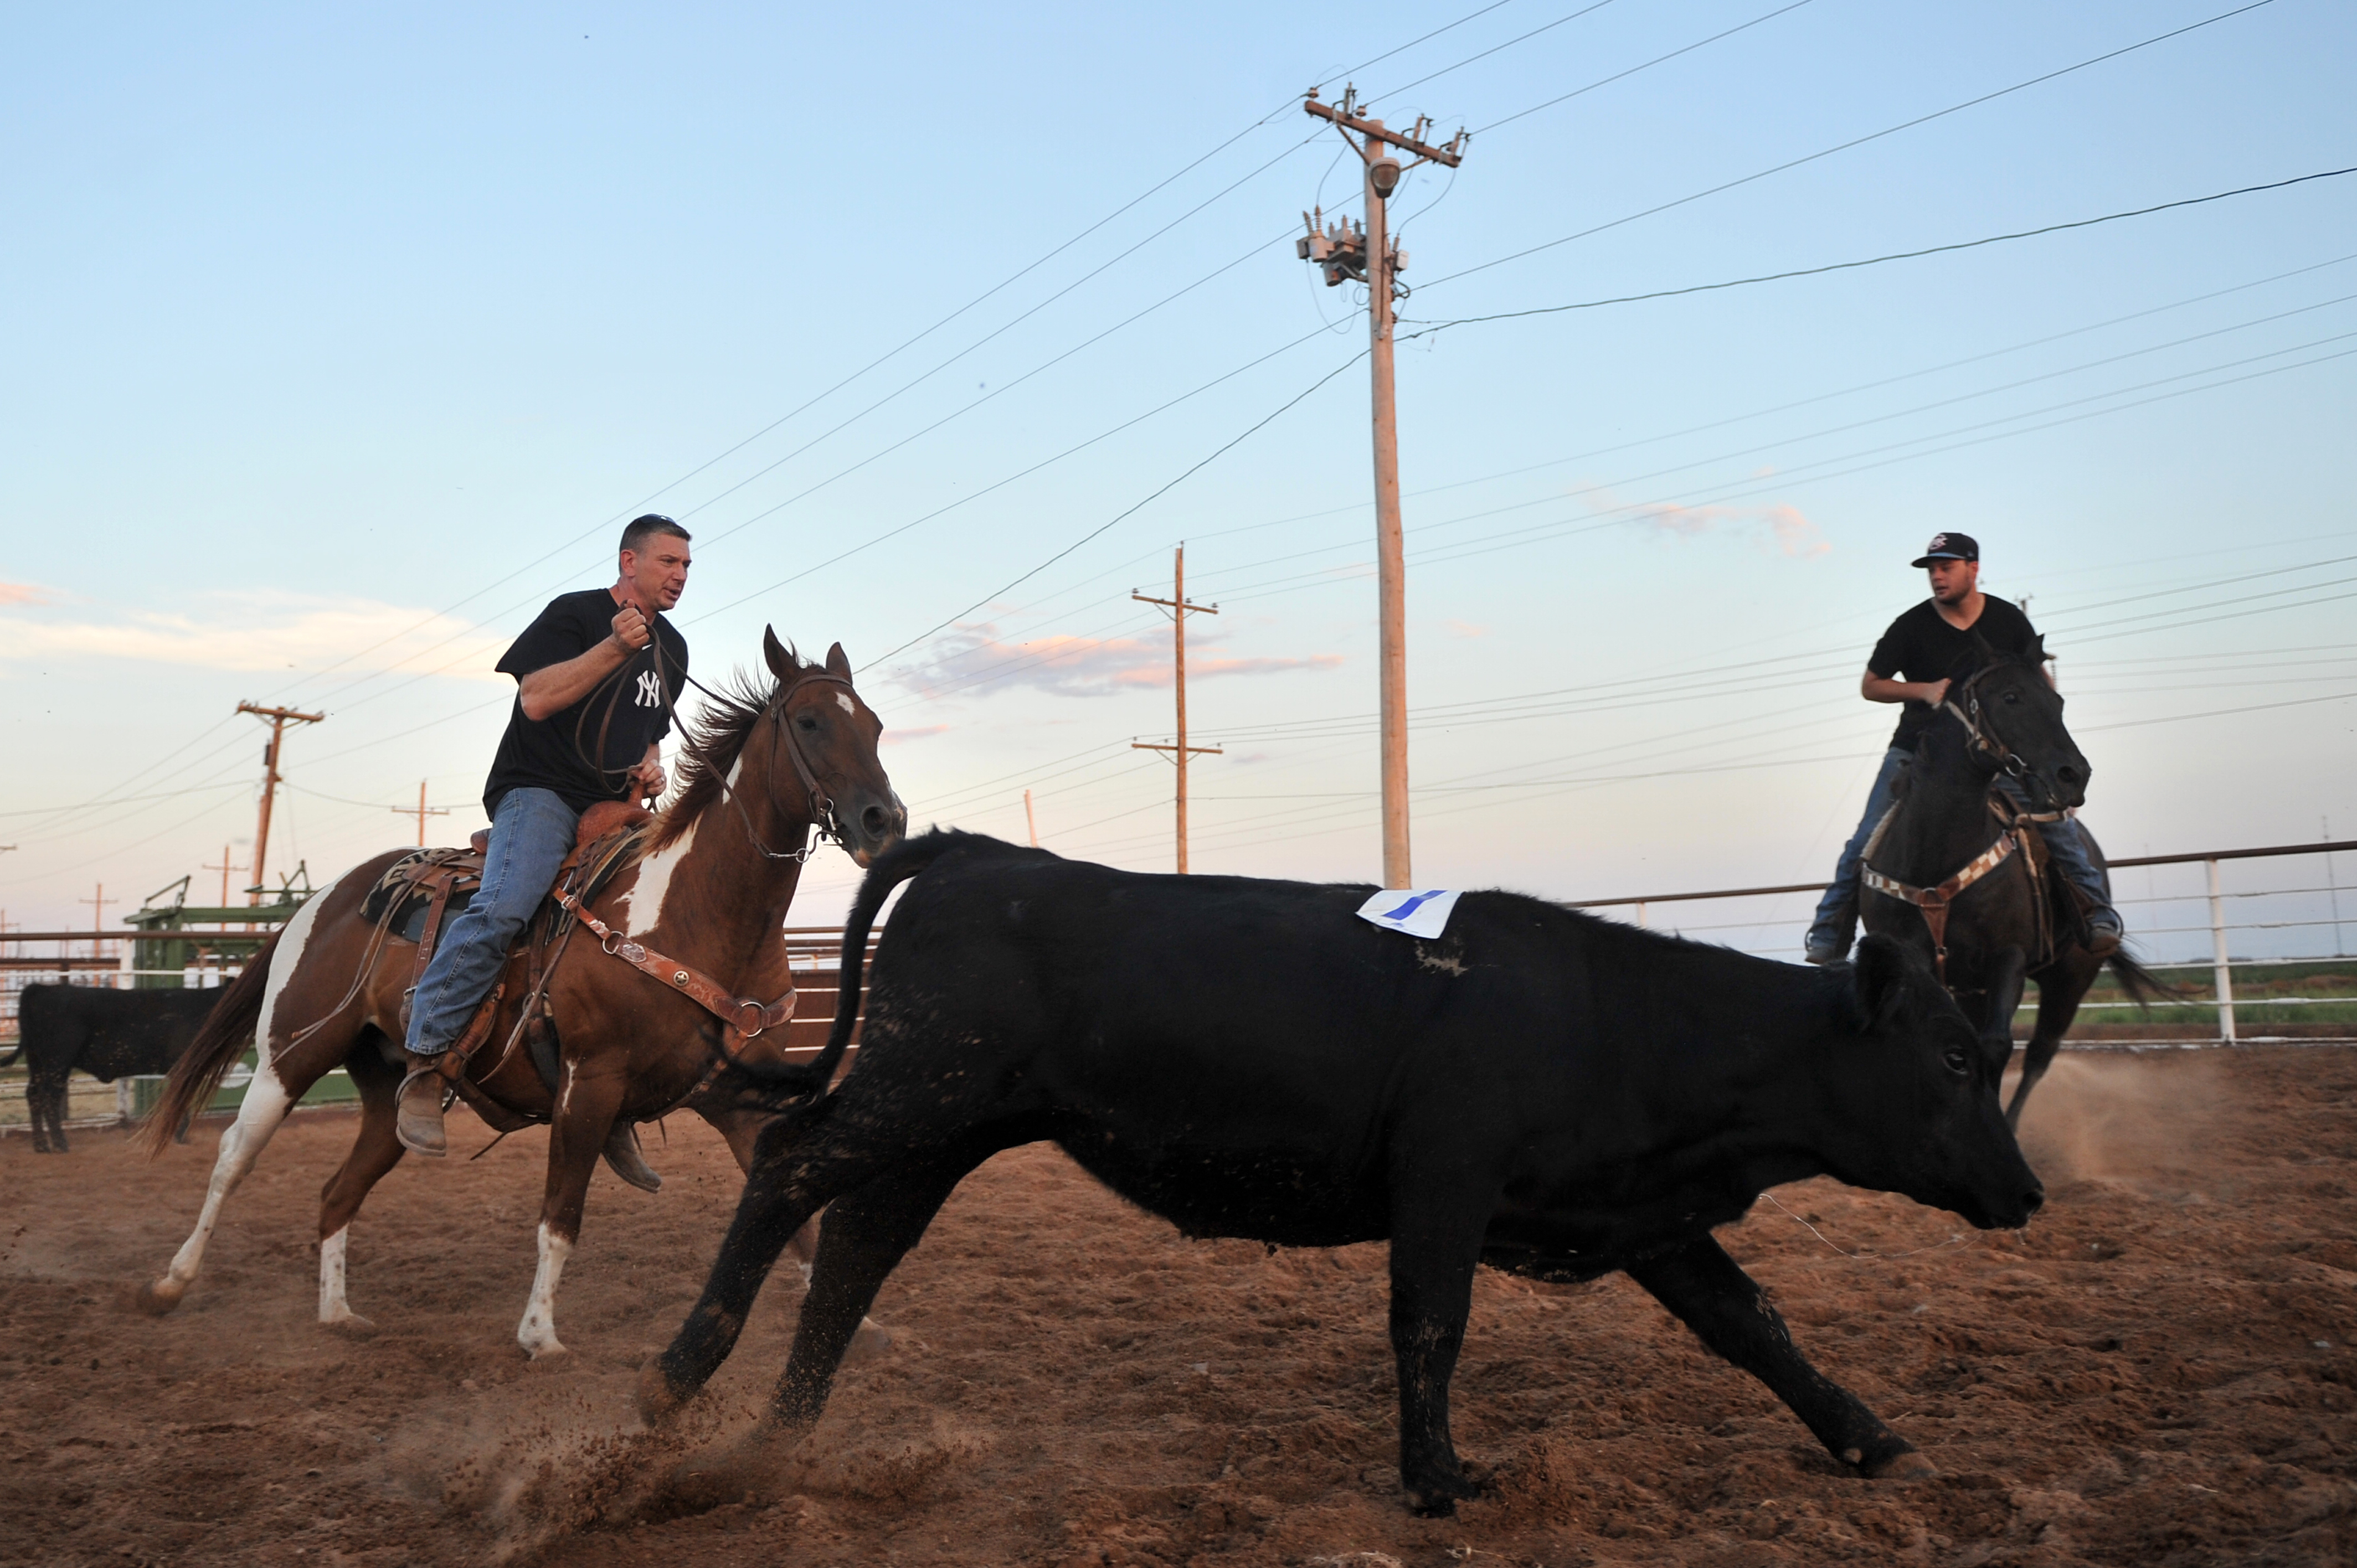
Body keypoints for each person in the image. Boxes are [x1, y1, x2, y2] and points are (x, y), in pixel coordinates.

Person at [395, 514, 692, 1154]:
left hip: (615, 808)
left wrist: (652, 767)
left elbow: (649, 734)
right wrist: (614, 647)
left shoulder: (674, 648)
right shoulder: (574, 615)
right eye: (668, 562)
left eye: (686, 566)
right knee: (505, 906)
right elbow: (534, 699)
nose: (680, 575)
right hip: (541, 793)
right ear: (629, 562)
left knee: (649, 924)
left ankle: (608, 1098)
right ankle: (424, 1057)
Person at [1802, 531, 2121, 966]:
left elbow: (2035, 682)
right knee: (1866, 837)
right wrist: (1923, 690)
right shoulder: (1910, 626)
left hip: (2001, 754)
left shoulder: (2008, 620)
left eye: (1946, 567)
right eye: (1932, 569)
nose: (1937, 576)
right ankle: (1828, 931)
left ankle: (2097, 912)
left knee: (2056, 825)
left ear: (1973, 568)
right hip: (1917, 752)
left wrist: (2045, 736)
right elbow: (1871, 686)